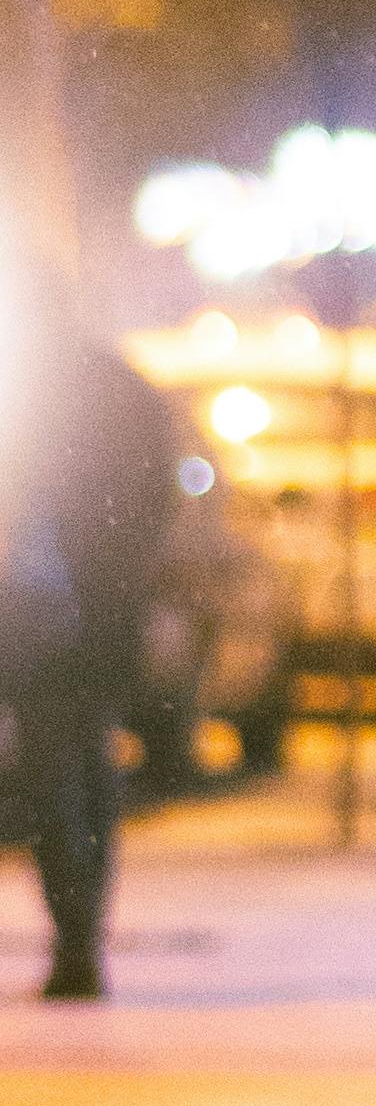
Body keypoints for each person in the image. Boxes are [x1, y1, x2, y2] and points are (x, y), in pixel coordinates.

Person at [0, 255, 182, 1001]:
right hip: (100, 610)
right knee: (89, 767)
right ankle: (82, 933)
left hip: (44, 615)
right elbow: (157, 497)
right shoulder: (121, 387)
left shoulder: (33, 391)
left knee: (52, 776)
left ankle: (73, 933)